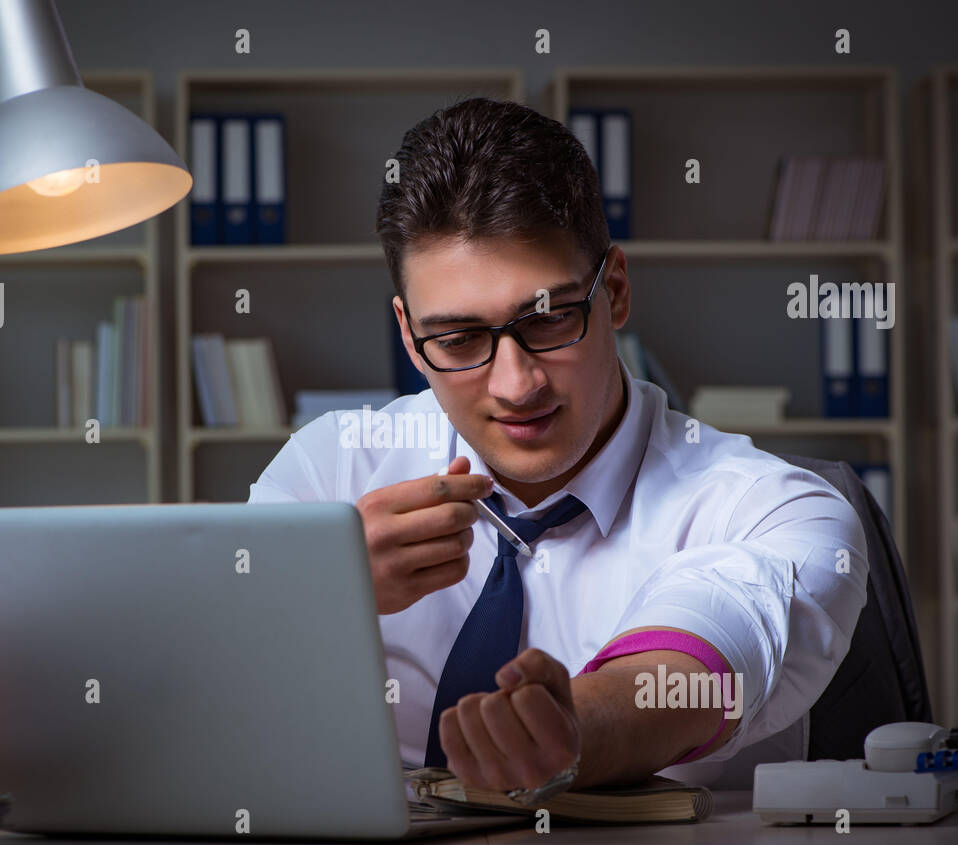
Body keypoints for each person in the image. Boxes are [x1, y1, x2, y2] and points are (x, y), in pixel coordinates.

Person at [248, 97, 868, 794]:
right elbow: (208, 690)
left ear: (617, 292)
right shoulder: (327, 473)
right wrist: (316, 590)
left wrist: (574, 727)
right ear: (408, 337)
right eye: (457, 339)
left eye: (548, 321)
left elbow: (704, 652)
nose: (516, 384)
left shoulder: (777, 509)